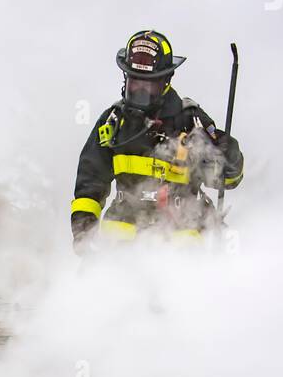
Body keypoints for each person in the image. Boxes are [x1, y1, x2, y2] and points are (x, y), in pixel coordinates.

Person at [71, 30, 243, 248]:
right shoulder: (113, 123)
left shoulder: (190, 121)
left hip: (184, 244)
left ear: (166, 80)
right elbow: (89, 183)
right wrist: (84, 234)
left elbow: (228, 180)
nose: (140, 89)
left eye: (148, 83)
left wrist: (229, 155)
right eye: (135, 81)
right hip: (123, 244)